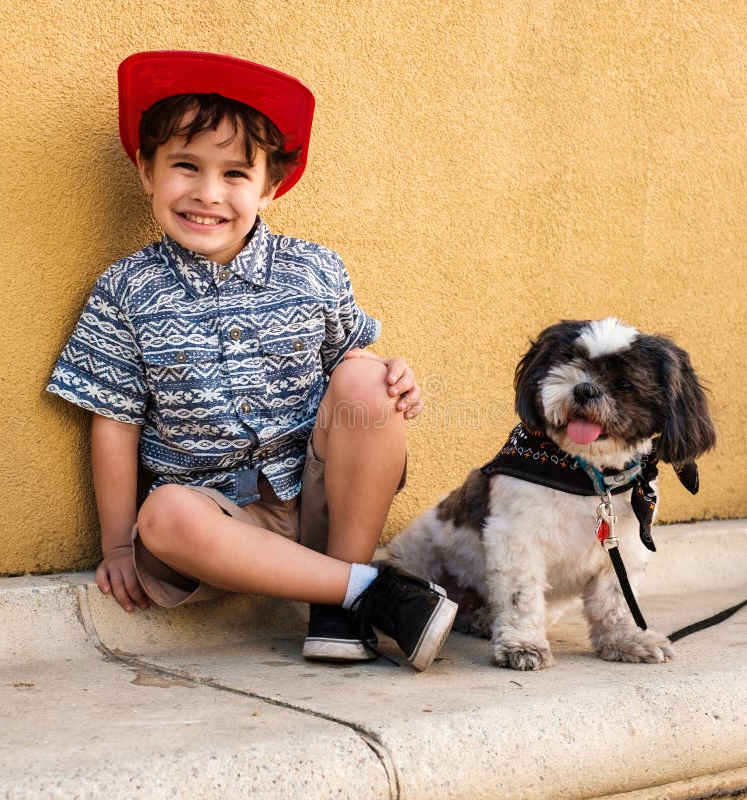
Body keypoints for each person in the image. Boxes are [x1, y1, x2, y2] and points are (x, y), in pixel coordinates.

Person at [47, 50, 457, 671]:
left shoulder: (314, 270)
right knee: (163, 514)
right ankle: (361, 592)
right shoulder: (125, 291)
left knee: (368, 377)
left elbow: (352, 374)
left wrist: (396, 380)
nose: (207, 194)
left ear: (270, 186)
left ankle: (338, 608)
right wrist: (116, 544)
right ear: (146, 172)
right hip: (216, 527)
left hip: (319, 502)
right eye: (185, 166)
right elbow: (114, 419)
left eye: (235, 175)